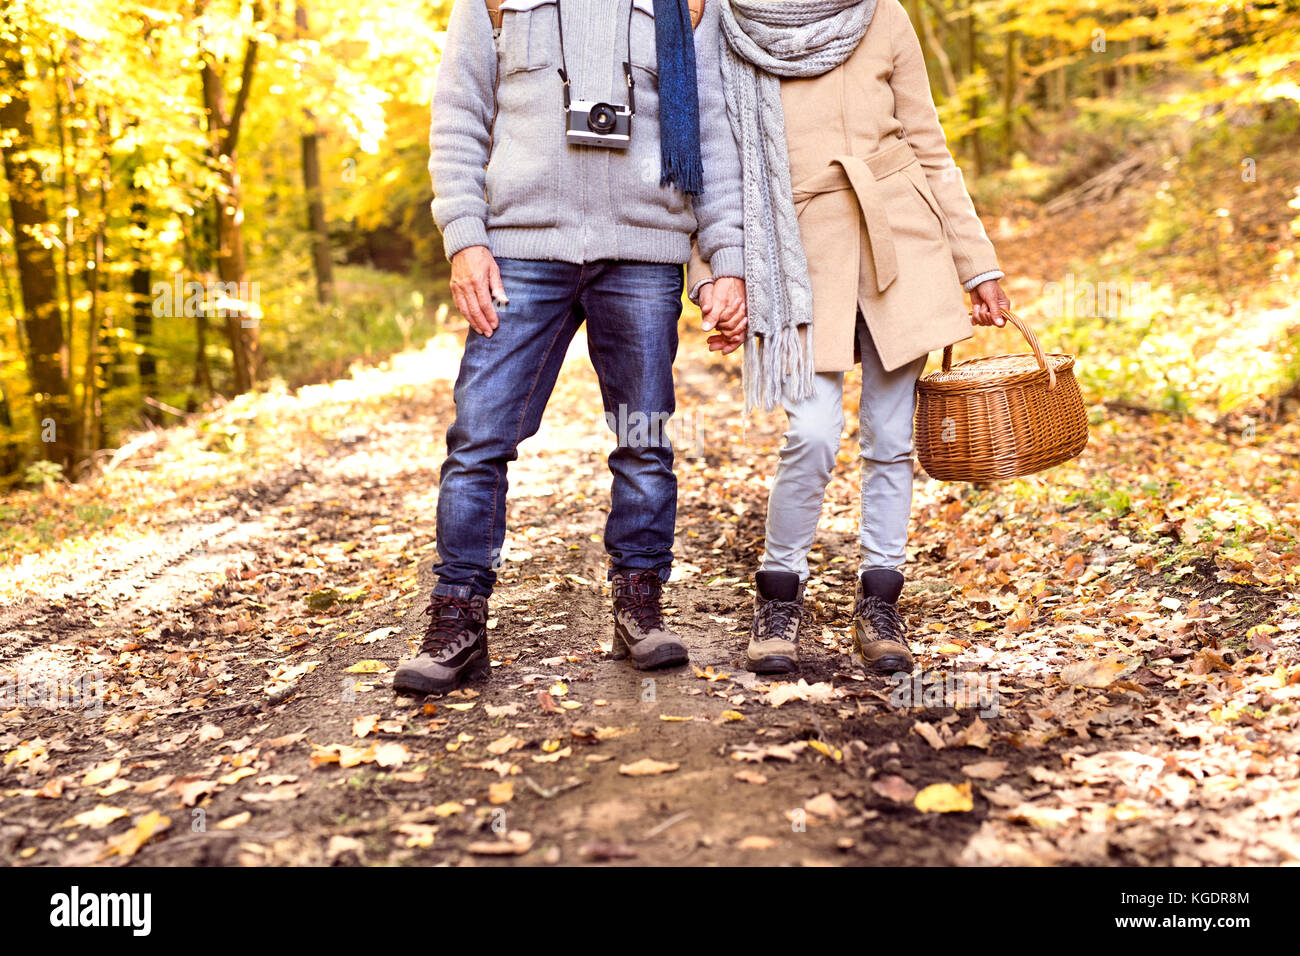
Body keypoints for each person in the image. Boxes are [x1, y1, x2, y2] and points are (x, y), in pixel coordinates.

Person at [395, 0, 747, 695]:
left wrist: (726, 259)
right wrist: (465, 238)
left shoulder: (685, 3)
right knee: (479, 438)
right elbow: (458, 116)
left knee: (644, 437)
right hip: (521, 250)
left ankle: (639, 605)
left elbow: (711, 135)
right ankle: (457, 618)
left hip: (645, 250)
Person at [691, 0, 1011, 676]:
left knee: (892, 439)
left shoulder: (882, 14)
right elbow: (713, 168)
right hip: (793, 252)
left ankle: (881, 602)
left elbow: (930, 146)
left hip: (903, 240)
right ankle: (778, 598)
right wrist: (716, 273)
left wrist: (976, 263)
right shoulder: (727, 22)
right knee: (811, 433)